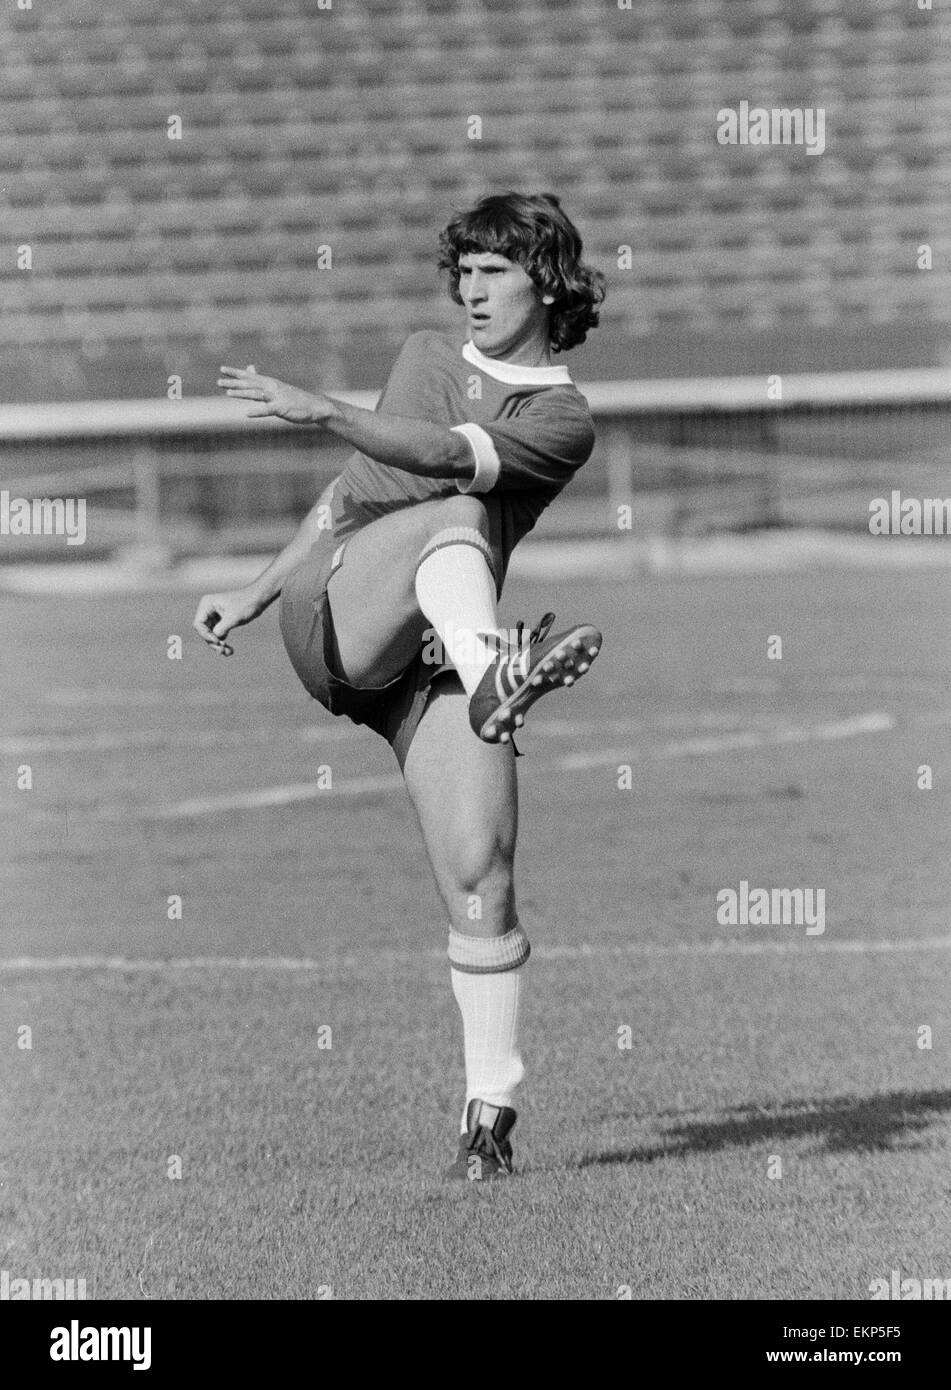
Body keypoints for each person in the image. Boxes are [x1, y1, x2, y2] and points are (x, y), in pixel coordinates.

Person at [193, 191, 605, 1179]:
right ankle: (495, 672)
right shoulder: (428, 356)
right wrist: (255, 591)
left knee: (484, 875)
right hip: (337, 611)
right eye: (462, 270)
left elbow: (438, 453)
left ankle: (489, 1118)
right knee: (455, 522)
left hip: (430, 667)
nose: (469, 288)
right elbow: (356, 495)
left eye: (492, 270)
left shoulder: (562, 418)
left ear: (546, 278)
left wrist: (325, 407)